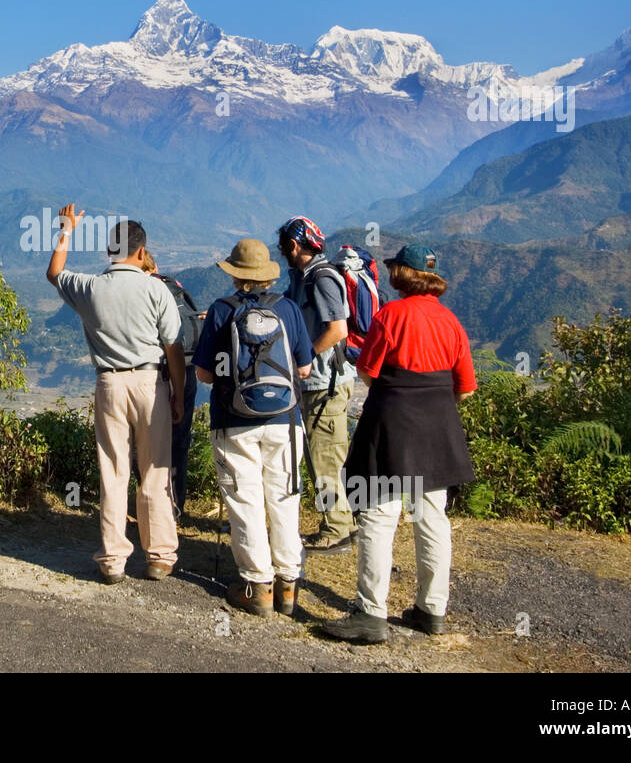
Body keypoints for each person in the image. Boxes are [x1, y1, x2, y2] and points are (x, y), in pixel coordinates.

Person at [323, 244, 477, 644]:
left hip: (391, 427)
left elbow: (368, 371)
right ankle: (432, 609)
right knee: (432, 519)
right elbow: (466, 389)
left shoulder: (391, 315)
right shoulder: (451, 321)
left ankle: (371, 614)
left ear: (401, 275)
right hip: (439, 431)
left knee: (378, 516)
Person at [46, 205, 184, 583]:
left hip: (109, 384)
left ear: (110, 251)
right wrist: (178, 396)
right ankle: (158, 556)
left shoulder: (91, 288)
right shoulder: (156, 289)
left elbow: (54, 273)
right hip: (150, 384)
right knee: (155, 471)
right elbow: (173, 348)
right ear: (142, 252)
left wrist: (66, 229)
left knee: (113, 472)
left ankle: (112, 560)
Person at [193, 239, 314, 616]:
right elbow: (305, 369)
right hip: (285, 421)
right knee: (284, 497)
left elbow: (204, 374)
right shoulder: (289, 309)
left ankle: (256, 586)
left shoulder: (220, 311)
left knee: (245, 501)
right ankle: (288, 584)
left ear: (235, 274)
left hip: (234, 422)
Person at [277, 215, 356, 553]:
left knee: (325, 458)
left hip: (326, 382)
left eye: (283, 248)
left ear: (294, 246)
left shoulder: (322, 279)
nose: (282, 254)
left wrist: (304, 358)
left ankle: (337, 529)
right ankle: (337, 522)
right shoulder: (304, 278)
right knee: (319, 454)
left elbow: (338, 329)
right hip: (317, 382)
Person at [142, 250, 202, 518]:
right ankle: (176, 504)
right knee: (179, 438)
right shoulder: (174, 286)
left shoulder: (146, 291)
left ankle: (154, 502)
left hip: (159, 373)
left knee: (146, 439)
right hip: (188, 371)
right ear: (157, 266)